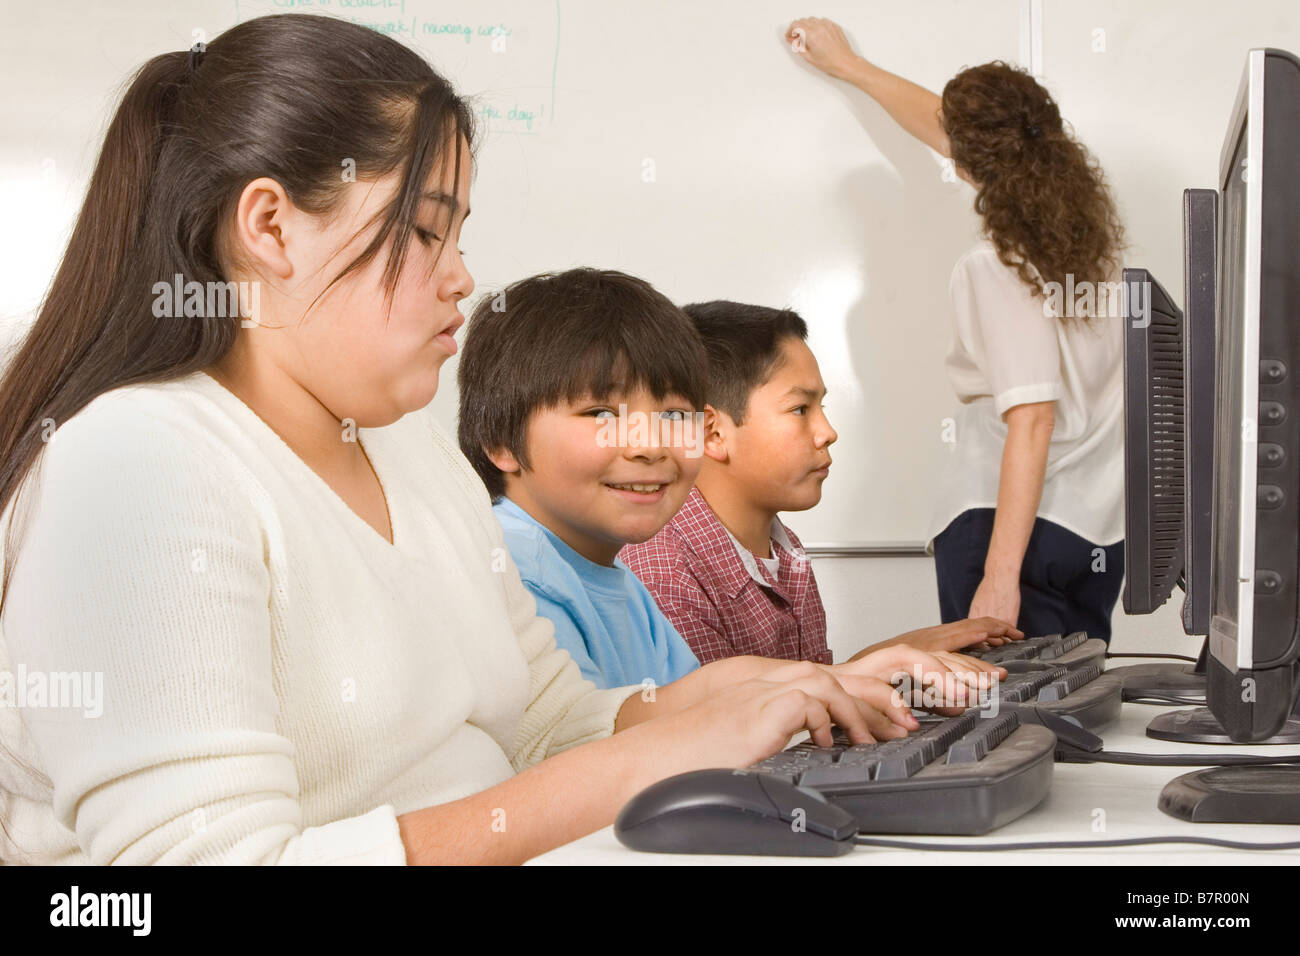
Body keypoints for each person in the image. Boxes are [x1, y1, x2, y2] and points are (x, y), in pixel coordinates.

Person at [0, 14, 914, 866]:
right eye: (426, 230)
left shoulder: (413, 451)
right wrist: (653, 760)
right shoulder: (136, 467)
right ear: (270, 227)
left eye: (459, 233)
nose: (462, 278)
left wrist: (727, 698)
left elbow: (547, 718)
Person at [455, 270, 1004, 698]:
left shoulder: (617, 578)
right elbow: (597, 758)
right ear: (502, 442)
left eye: (674, 415)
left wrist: (865, 675)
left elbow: (699, 709)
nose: (651, 444)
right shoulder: (517, 572)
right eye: (602, 412)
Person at [788, 17, 1127, 642]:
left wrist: (999, 577)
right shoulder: (1097, 263)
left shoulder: (995, 266)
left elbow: (1032, 418)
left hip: (1007, 529)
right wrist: (851, 66)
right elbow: (952, 130)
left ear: (970, 163)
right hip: (1095, 533)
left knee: (1006, 727)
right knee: (1076, 714)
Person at [622, 299, 1024, 662]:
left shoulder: (786, 550)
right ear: (712, 433)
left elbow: (801, 718)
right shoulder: (665, 571)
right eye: (800, 409)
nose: (827, 431)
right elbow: (724, 726)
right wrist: (886, 662)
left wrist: (900, 652)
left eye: (822, 406)